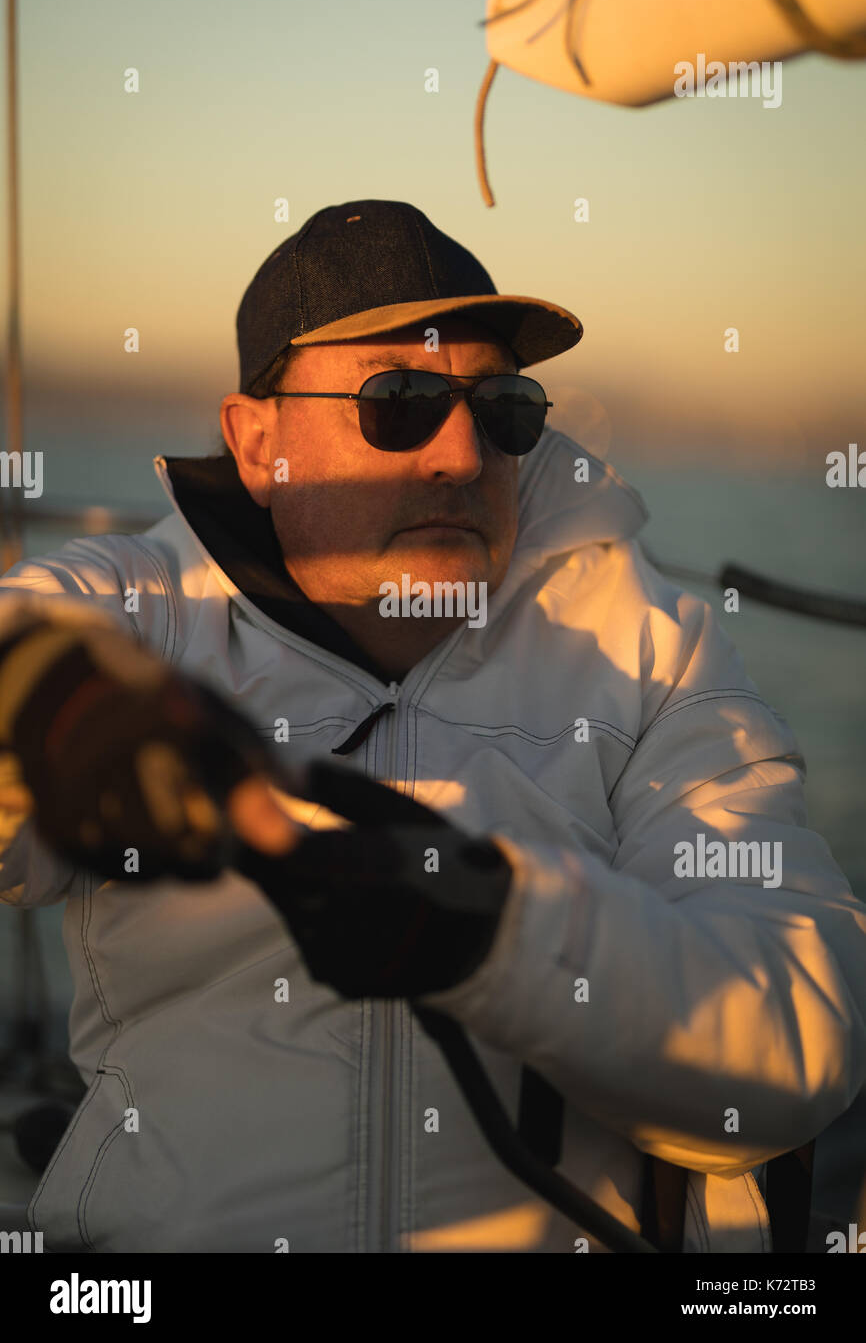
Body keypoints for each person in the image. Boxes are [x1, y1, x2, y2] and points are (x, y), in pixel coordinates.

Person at [0, 198, 864, 1254]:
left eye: (502, 407)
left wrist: (492, 932)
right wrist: (57, 705)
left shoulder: (649, 650)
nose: (461, 452)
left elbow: (792, 1041)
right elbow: (30, 640)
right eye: (398, 399)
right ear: (257, 440)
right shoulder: (143, 610)